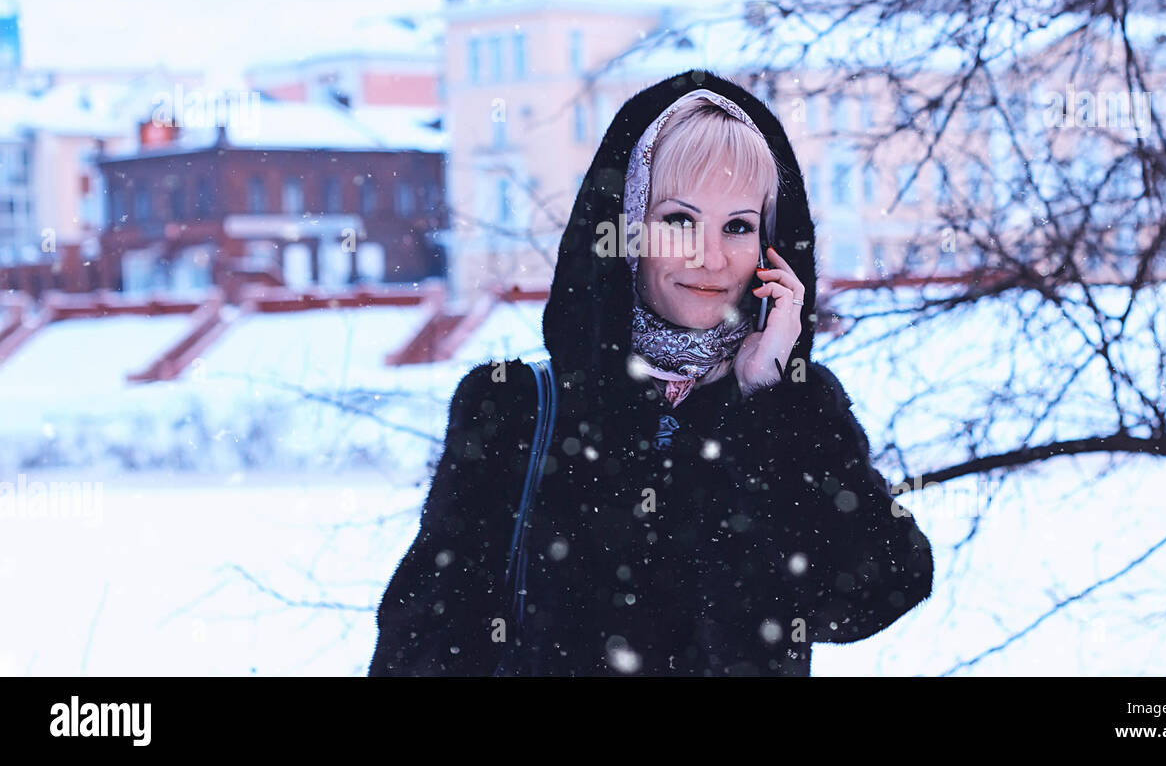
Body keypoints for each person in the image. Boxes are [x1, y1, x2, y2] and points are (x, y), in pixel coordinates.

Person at [369, 69, 933, 676]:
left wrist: (772, 401)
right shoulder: (517, 409)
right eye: (680, 220)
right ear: (628, 227)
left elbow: (874, 594)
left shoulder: (783, 406)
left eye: (739, 226)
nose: (711, 256)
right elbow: (421, 648)